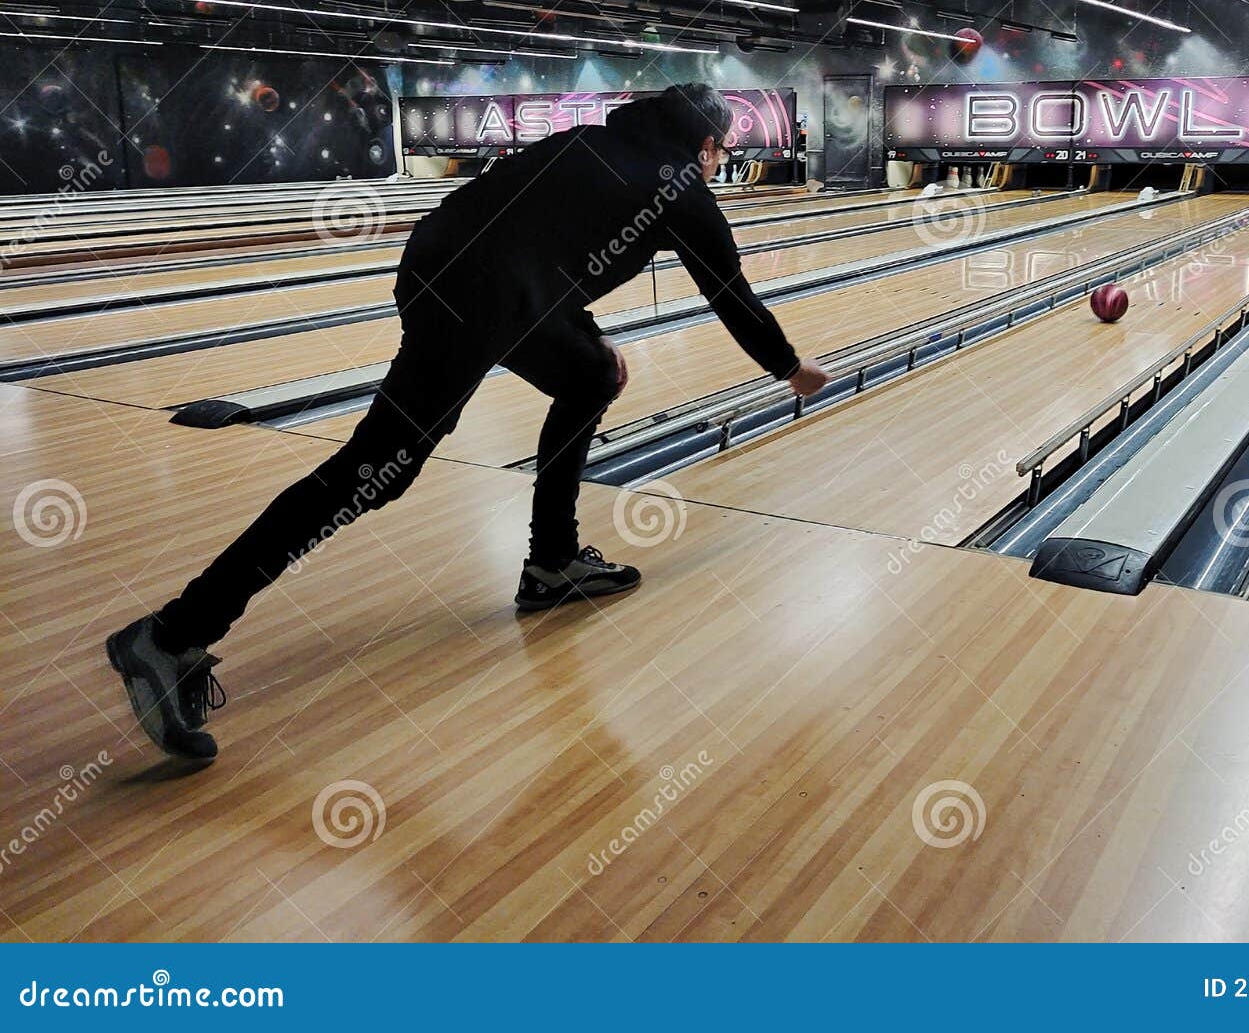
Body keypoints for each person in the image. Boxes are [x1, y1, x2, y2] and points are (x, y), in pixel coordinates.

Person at [106, 84, 831, 762]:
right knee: (375, 471)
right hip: (481, 293)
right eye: (722, 151)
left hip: (448, 263)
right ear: (705, 143)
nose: (720, 164)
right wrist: (790, 368)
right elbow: (729, 292)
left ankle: (553, 563)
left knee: (589, 373)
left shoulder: (586, 142)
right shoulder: (679, 185)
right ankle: (171, 635)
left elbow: (533, 240)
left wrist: (583, 335)